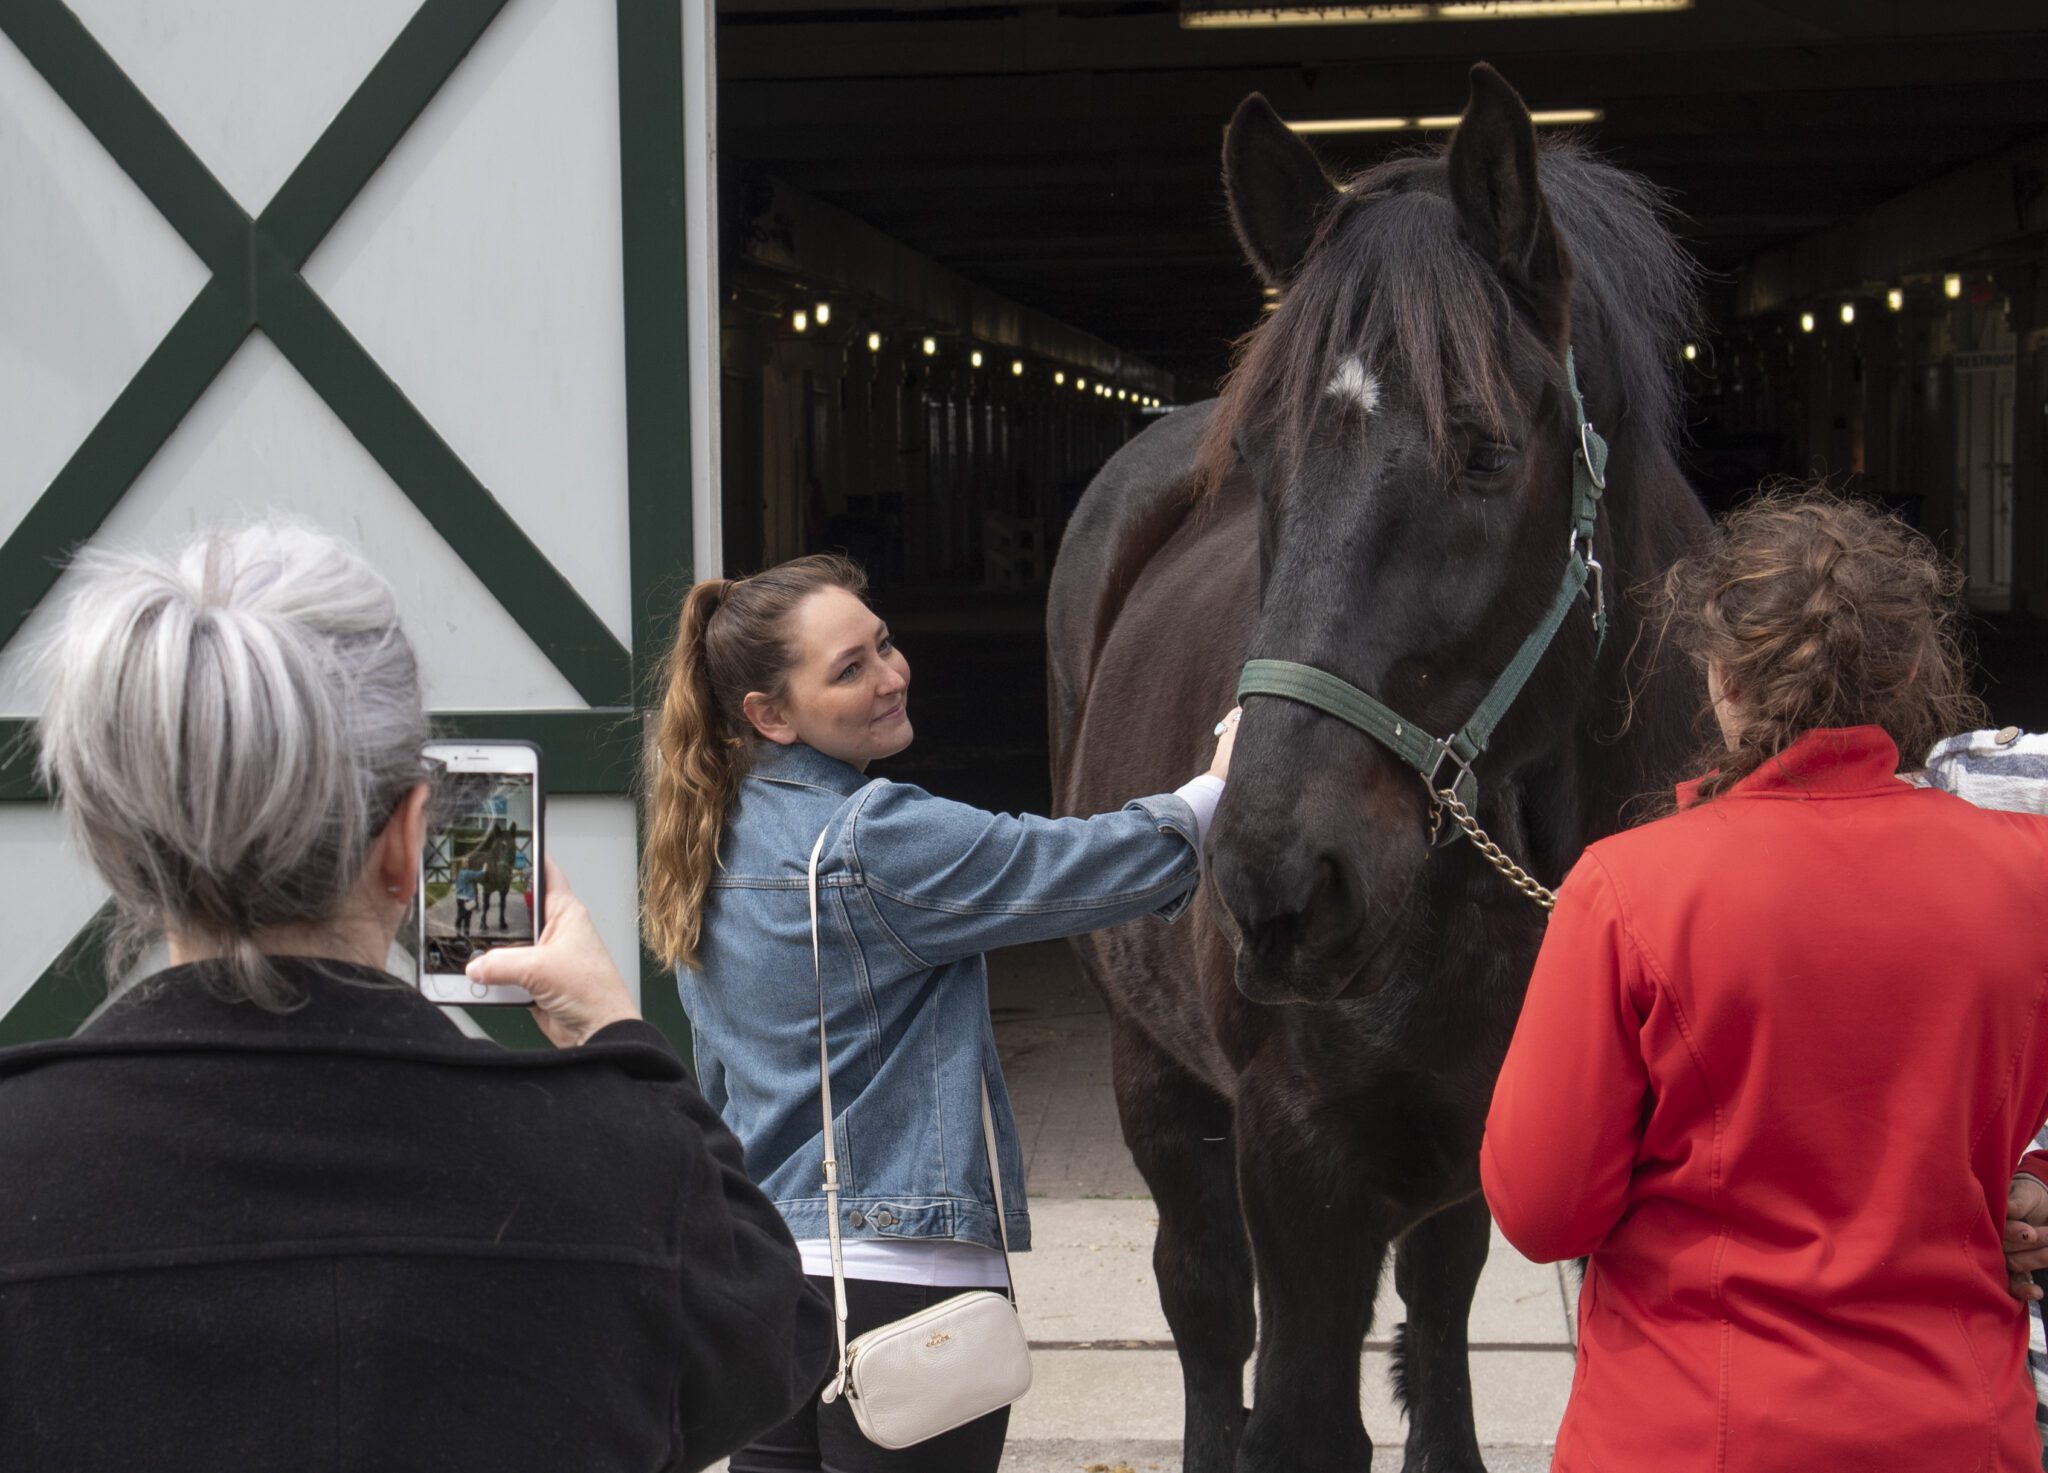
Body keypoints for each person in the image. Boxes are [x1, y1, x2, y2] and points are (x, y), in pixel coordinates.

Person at [0, 523, 831, 1473]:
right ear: (406, 841)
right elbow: (774, 1337)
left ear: (116, 849)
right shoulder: (616, 1167)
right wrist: (621, 1039)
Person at [1479, 490, 2048, 1472]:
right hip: (1950, 1429)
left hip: (1686, 1431)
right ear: (1912, 668)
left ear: (1716, 678)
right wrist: (2024, 1181)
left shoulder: (1625, 889)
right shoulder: (2026, 873)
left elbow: (1540, 1211)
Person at [640, 553, 1236, 1473]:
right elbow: (1067, 866)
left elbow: (721, 1087)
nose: (890, 674)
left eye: (882, 644)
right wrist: (1216, 790)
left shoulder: (702, 844)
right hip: (906, 1292)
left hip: (763, 1286)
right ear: (770, 714)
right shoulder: (871, 837)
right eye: (849, 669)